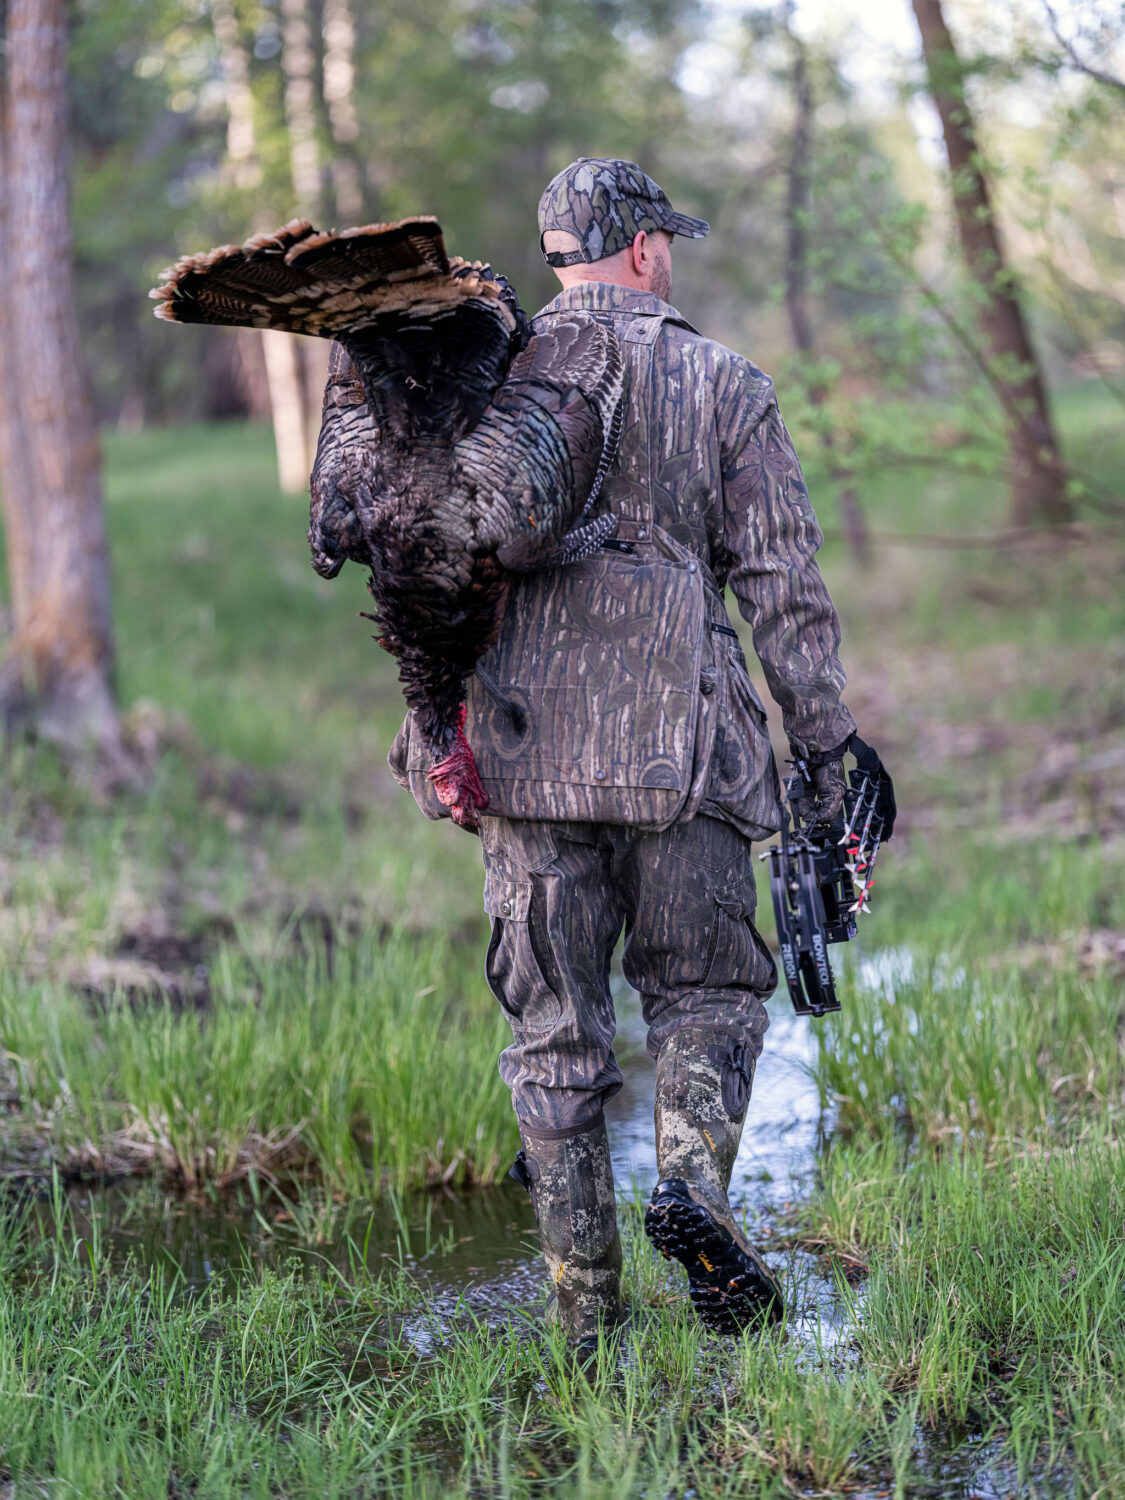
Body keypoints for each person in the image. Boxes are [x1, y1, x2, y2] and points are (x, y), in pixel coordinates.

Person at [384, 157, 882, 1344]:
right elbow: (784, 591)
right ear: (650, 249)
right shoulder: (724, 381)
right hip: (686, 757)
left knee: (555, 1037)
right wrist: (828, 750)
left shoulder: (488, 380)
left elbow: (417, 565)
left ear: (561, 256)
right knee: (706, 991)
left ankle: (584, 1313)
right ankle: (691, 1190)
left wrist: (428, 727)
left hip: (523, 757)